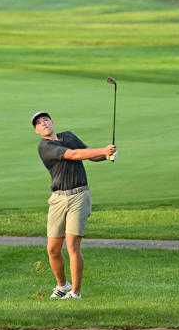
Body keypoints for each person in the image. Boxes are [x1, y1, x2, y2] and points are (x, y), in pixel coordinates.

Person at [31, 110, 116, 300]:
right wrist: (102, 150)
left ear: (53, 122)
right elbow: (74, 154)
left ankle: (75, 293)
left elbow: (87, 154)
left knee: (72, 246)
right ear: (37, 131)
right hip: (58, 199)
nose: (43, 123)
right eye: (39, 123)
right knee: (52, 249)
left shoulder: (68, 135)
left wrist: (106, 154)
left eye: (46, 120)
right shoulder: (44, 146)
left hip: (79, 195)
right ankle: (62, 285)